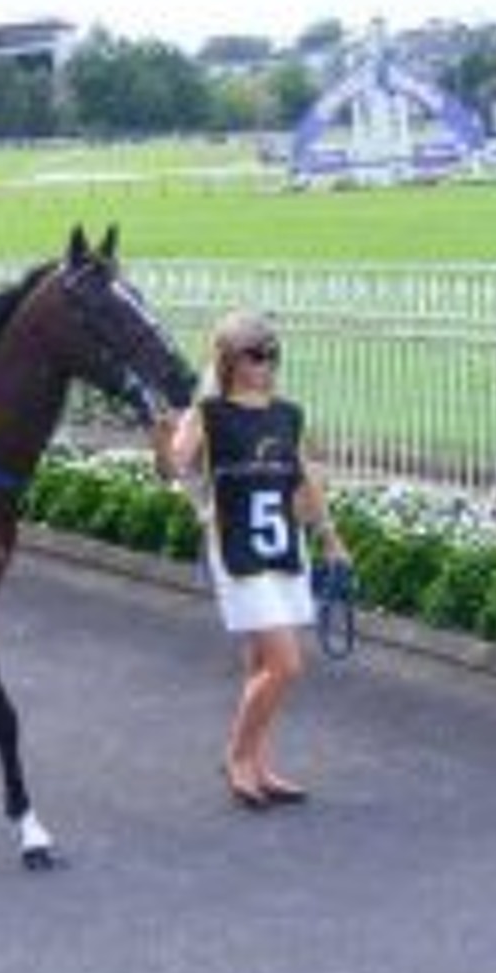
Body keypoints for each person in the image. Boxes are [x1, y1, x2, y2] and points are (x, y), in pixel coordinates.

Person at [154, 309, 349, 810]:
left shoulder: (288, 414)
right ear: (229, 360)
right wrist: (161, 435)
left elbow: (305, 482)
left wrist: (329, 537)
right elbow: (172, 470)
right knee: (285, 664)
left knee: (262, 666)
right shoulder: (208, 415)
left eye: (272, 353)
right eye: (255, 354)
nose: (267, 363)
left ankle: (259, 764)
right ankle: (238, 756)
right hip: (236, 550)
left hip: (284, 548)